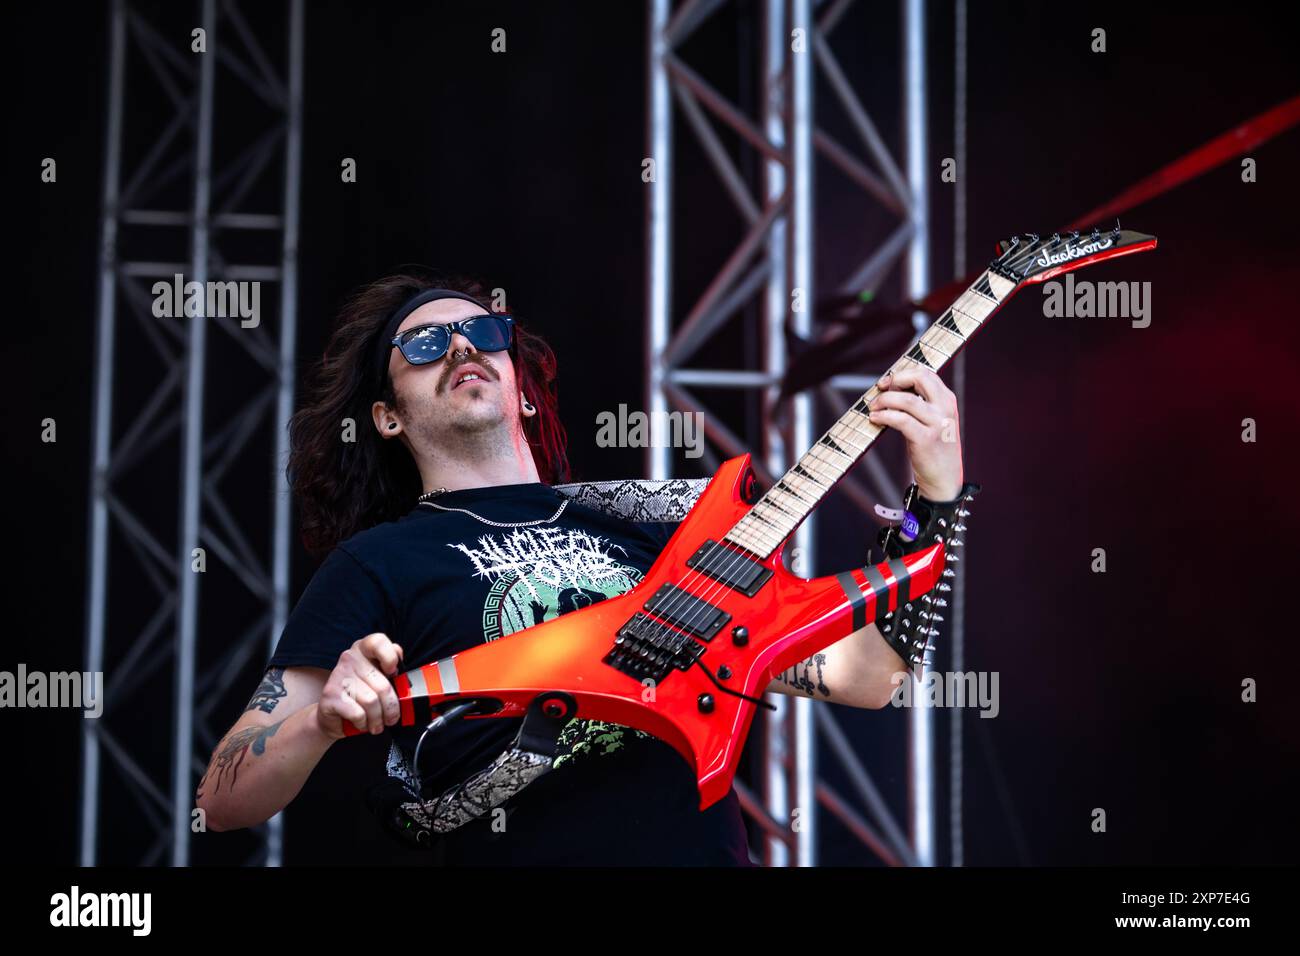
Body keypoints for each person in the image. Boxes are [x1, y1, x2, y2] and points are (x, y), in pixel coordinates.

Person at [194, 270, 969, 865]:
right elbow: (223, 798)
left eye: (483, 331)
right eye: (426, 345)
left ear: (522, 390)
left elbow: (867, 677)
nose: (463, 347)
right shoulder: (380, 562)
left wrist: (936, 498)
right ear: (388, 418)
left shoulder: (647, 529)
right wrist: (320, 720)